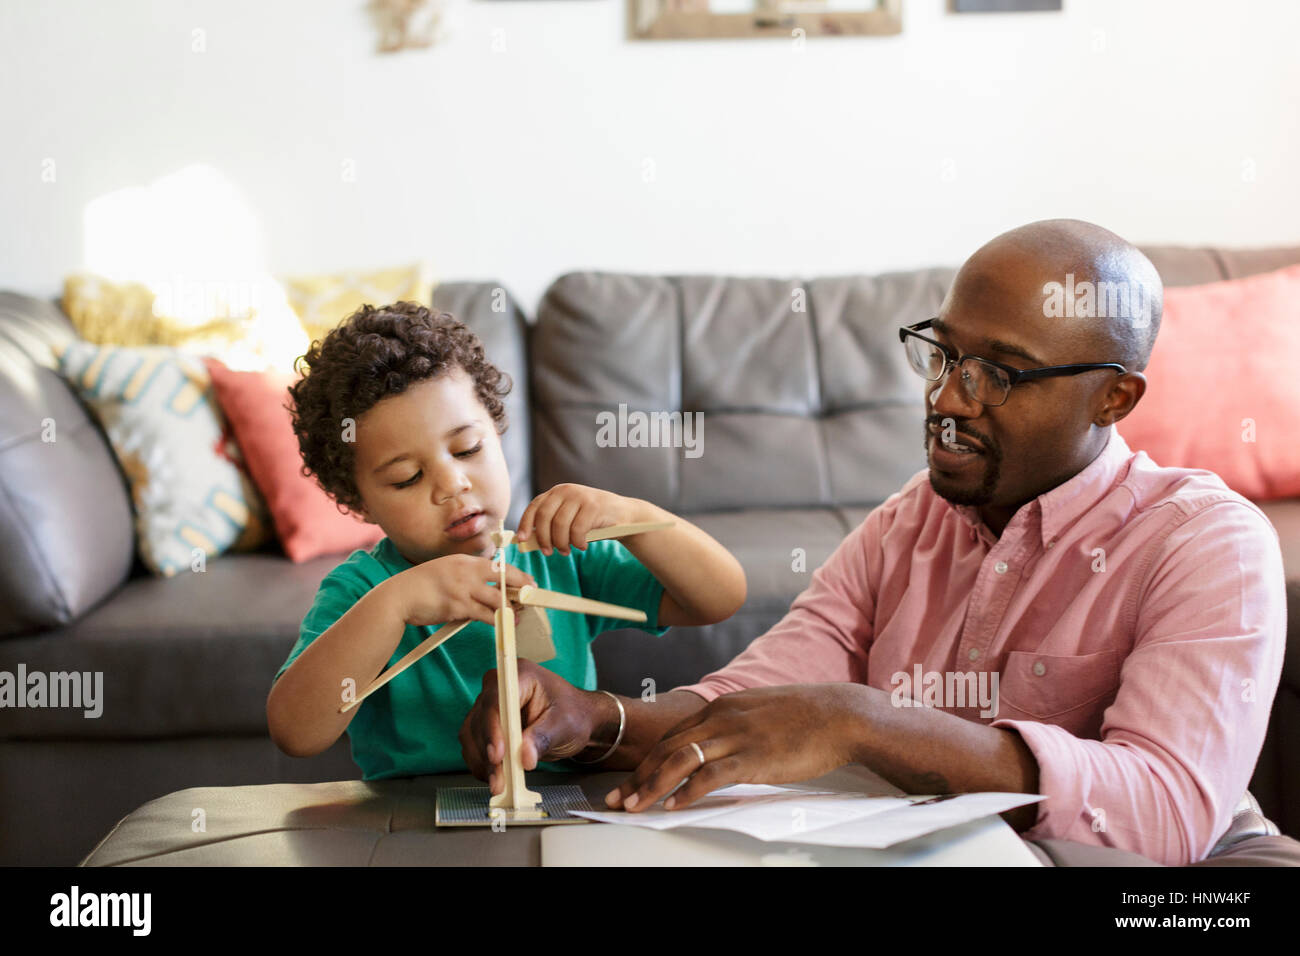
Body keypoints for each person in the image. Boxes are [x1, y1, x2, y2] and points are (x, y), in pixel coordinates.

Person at [458, 220, 1288, 866]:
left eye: (999, 373)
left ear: (1113, 398)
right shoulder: (911, 519)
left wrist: (866, 723)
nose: (947, 399)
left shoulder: (1208, 544)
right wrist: (594, 717)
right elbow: (761, 695)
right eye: (944, 353)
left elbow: (1167, 813)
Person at [265, 301, 746, 790]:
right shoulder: (365, 589)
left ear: (497, 431)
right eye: (406, 477)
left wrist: (637, 519)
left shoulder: (557, 556)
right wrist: (396, 605)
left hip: (560, 801)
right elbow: (295, 733)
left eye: (468, 449)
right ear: (358, 502)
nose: (452, 485)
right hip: (414, 818)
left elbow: (719, 598)